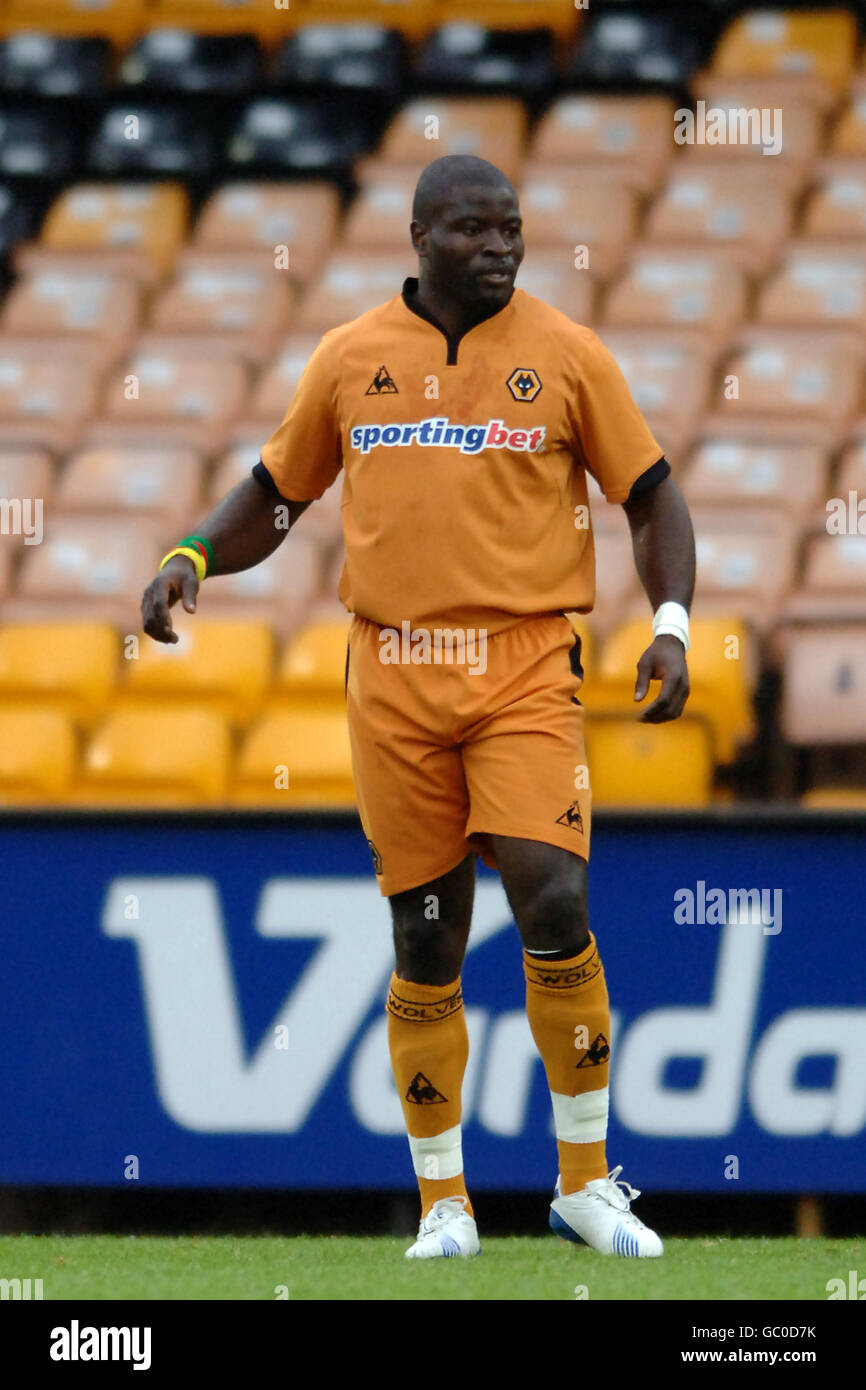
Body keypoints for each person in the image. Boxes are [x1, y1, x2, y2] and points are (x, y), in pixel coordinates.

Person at [142, 154, 695, 1261]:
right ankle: (444, 1202)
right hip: (392, 673)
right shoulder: (350, 360)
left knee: (550, 897)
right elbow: (276, 495)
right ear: (418, 238)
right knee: (425, 931)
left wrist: (671, 621)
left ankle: (584, 1183)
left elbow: (650, 495)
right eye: (474, 231)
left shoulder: (566, 355)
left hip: (525, 660)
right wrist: (194, 552)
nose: (500, 247)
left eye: (512, 229)